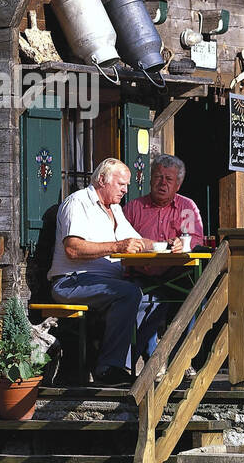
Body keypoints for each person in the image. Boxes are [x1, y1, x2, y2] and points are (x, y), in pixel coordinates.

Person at [47, 158, 170, 386]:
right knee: (129, 293)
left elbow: (136, 240)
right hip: (71, 282)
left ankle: (122, 364)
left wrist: (168, 244)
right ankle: (108, 369)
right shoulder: (78, 203)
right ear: (102, 180)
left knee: (154, 299)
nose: (125, 190)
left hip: (107, 283)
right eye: (121, 184)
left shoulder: (114, 209)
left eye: (127, 185)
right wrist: (116, 247)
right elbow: (73, 248)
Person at [123, 155, 204, 261]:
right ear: (151, 180)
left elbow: (197, 239)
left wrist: (182, 243)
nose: (163, 183)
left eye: (169, 179)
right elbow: (120, 240)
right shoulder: (133, 208)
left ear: (178, 186)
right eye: (158, 177)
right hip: (139, 275)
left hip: (178, 274)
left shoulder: (186, 207)